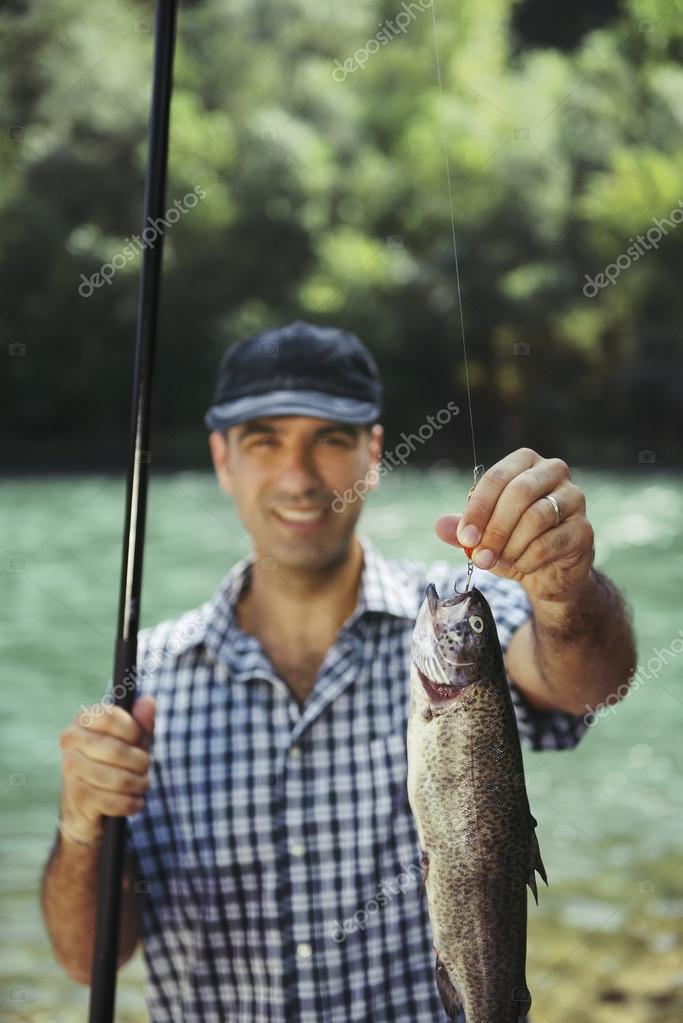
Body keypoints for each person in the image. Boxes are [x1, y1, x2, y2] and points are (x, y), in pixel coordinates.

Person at [41, 320, 636, 1022]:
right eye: (264, 441)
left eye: (328, 438)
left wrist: (565, 594)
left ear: (372, 454)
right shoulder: (145, 676)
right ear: (222, 459)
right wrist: (82, 827)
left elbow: (591, 683)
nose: (298, 477)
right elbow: (86, 958)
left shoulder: (465, 617)